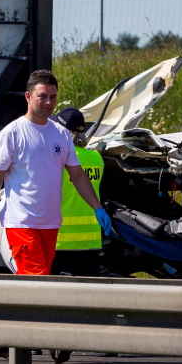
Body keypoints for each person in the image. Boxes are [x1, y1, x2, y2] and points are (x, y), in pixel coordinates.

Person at [0, 70, 111, 275]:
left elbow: (77, 175)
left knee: (41, 285)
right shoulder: (11, 134)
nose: (49, 102)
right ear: (28, 97)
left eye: (53, 97)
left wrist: (97, 208)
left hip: (50, 224)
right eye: (42, 96)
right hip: (22, 223)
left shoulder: (61, 134)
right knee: (38, 280)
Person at [51, 107, 104, 277]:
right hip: (89, 240)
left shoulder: (59, 158)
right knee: (89, 297)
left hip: (59, 239)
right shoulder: (96, 158)